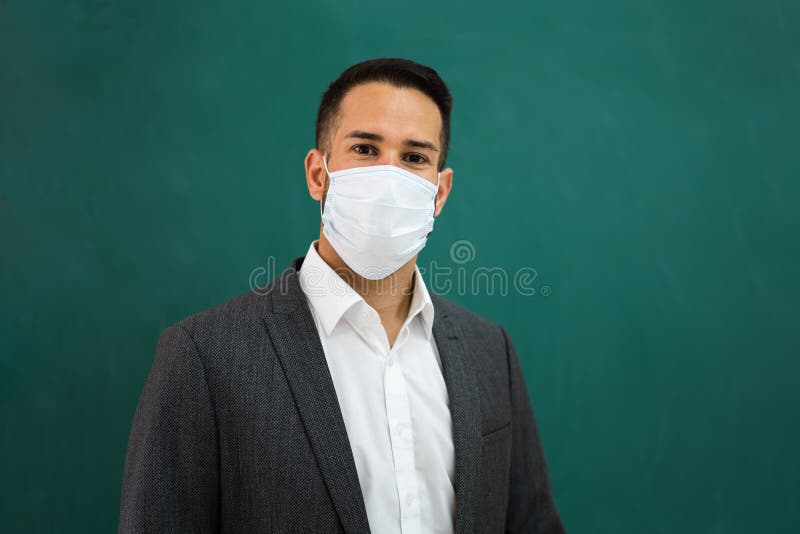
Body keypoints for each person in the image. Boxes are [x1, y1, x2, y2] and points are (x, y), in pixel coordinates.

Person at [118, 57, 566, 534]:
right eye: (365, 149)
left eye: (415, 157)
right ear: (318, 174)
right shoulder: (206, 356)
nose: (389, 177)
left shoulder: (489, 352)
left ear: (439, 192)